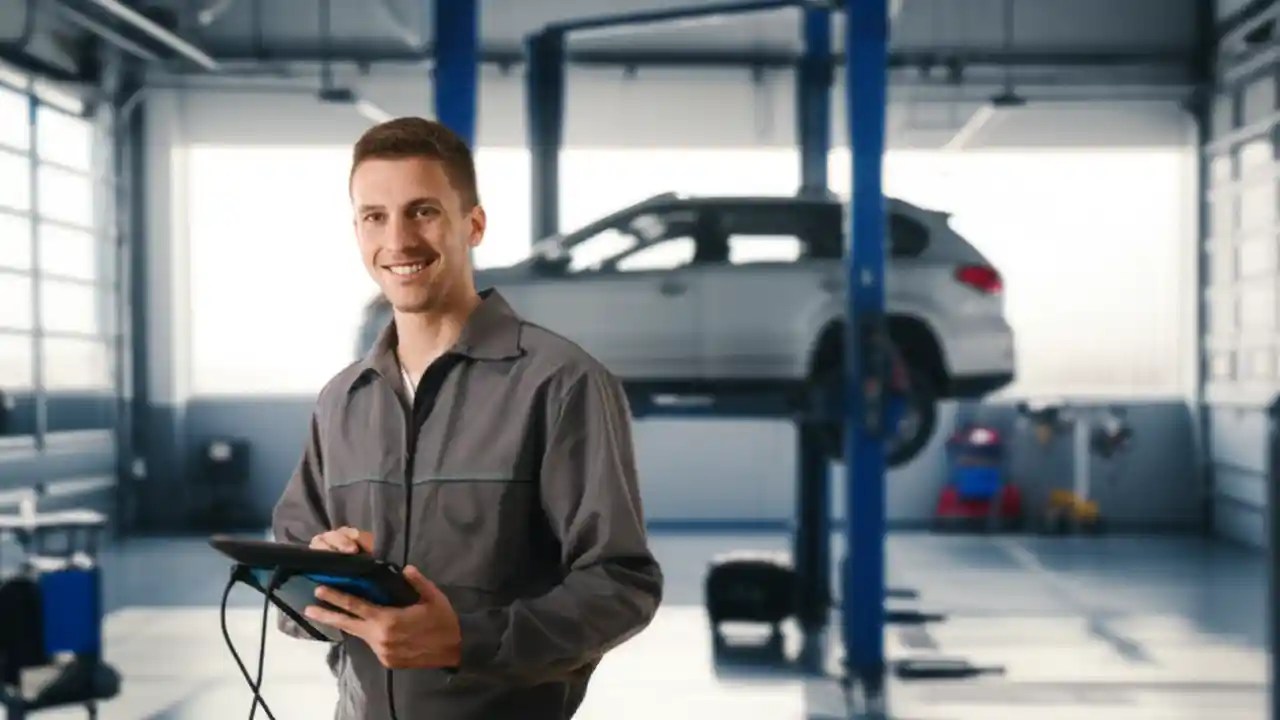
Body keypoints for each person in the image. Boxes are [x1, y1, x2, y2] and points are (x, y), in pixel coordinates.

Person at [271, 117, 664, 719]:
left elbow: (620, 584)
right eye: (375, 216)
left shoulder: (559, 383)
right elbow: (291, 580)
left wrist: (463, 640)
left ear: (473, 224)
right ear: (357, 228)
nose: (398, 241)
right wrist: (324, 575)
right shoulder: (343, 400)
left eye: (422, 211)